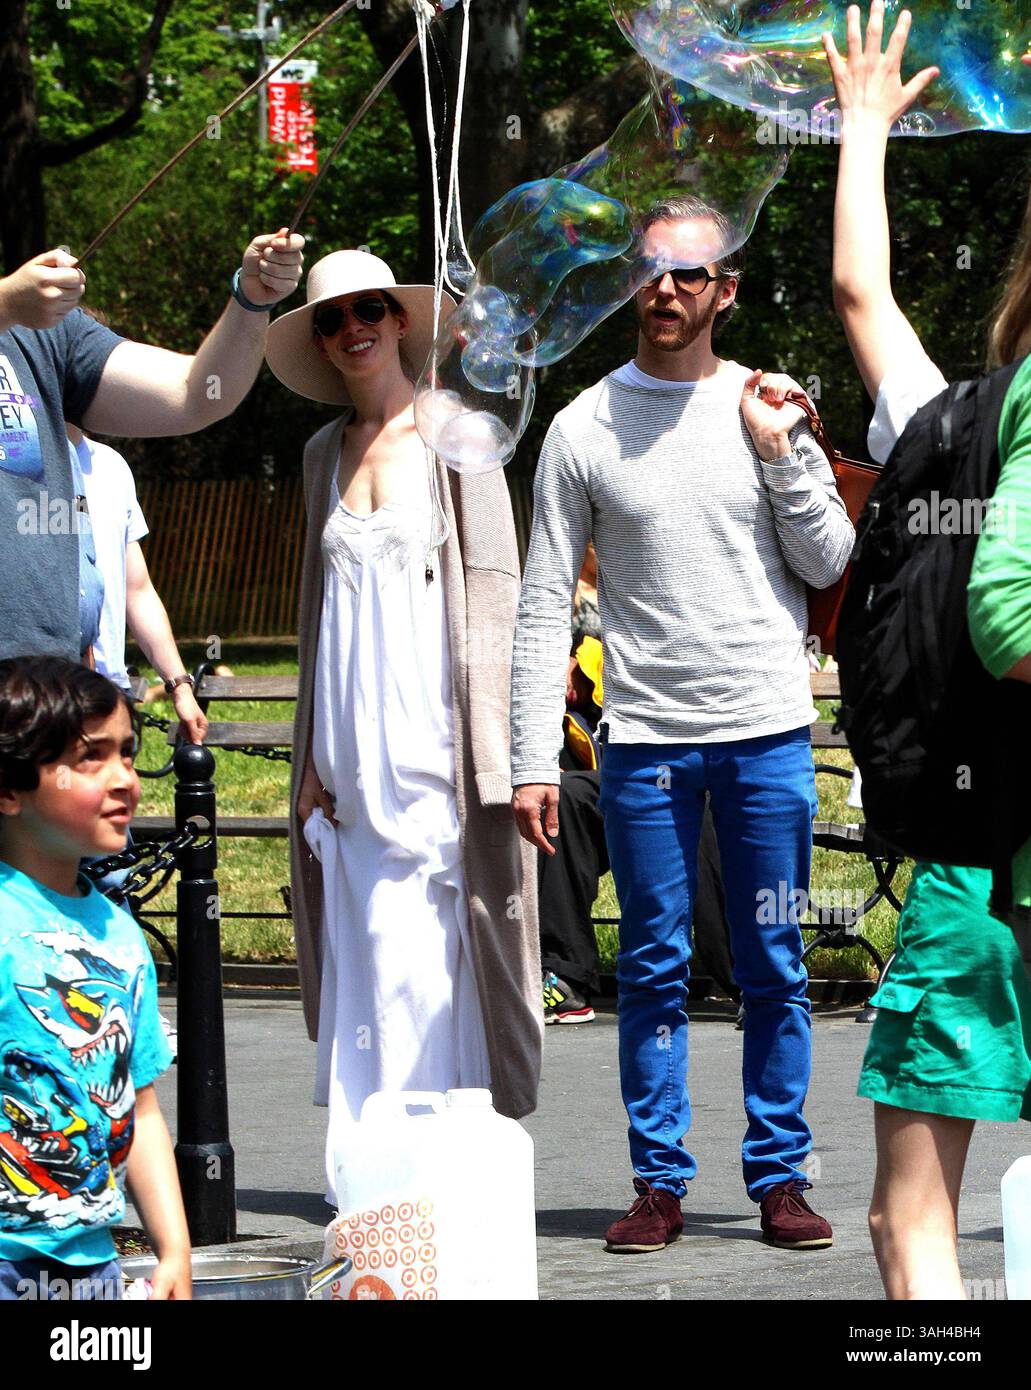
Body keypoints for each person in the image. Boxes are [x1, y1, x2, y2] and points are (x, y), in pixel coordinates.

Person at [511, 195, 854, 1253]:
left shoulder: (767, 404)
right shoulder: (581, 425)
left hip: (765, 729)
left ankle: (779, 1176)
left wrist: (781, 452)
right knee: (652, 967)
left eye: (689, 273)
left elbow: (830, 558)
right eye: (648, 269)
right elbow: (541, 601)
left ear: (726, 291)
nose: (664, 288)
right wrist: (528, 758)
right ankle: (656, 1182)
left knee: (772, 960)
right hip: (644, 740)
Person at [823, 0, 1031, 1299]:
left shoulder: (954, 423)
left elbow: (859, 292)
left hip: (967, 863)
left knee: (908, 1218)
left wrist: (859, 124)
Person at [265, 249, 542, 1197]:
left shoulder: (455, 431)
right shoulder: (320, 454)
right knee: (367, 944)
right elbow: (316, 612)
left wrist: (502, 751)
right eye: (332, 318)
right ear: (319, 340)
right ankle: (368, 1165)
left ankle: (439, 1161)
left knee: (433, 944)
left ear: (399, 320)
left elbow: (498, 592)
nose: (353, 329)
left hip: (436, 735)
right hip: (347, 745)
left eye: (369, 309)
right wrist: (308, 755)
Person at [0, 229, 304, 661]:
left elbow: (197, 395)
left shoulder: (45, 333)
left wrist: (251, 302)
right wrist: (6, 303)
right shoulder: (15, 307)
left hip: (47, 678)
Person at [0, 656, 189, 1300]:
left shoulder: (118, 933)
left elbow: (140, 1104)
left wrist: (174, 1249)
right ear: (8, 788)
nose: (124, 779)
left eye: (128, 754)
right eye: (91, 758)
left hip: (92, 1269)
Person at [65, 415, 207, 744]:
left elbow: (137, 591)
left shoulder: (112, 467)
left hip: (109, 695)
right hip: (33, 698)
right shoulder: (12, 467)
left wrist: (179, 685)